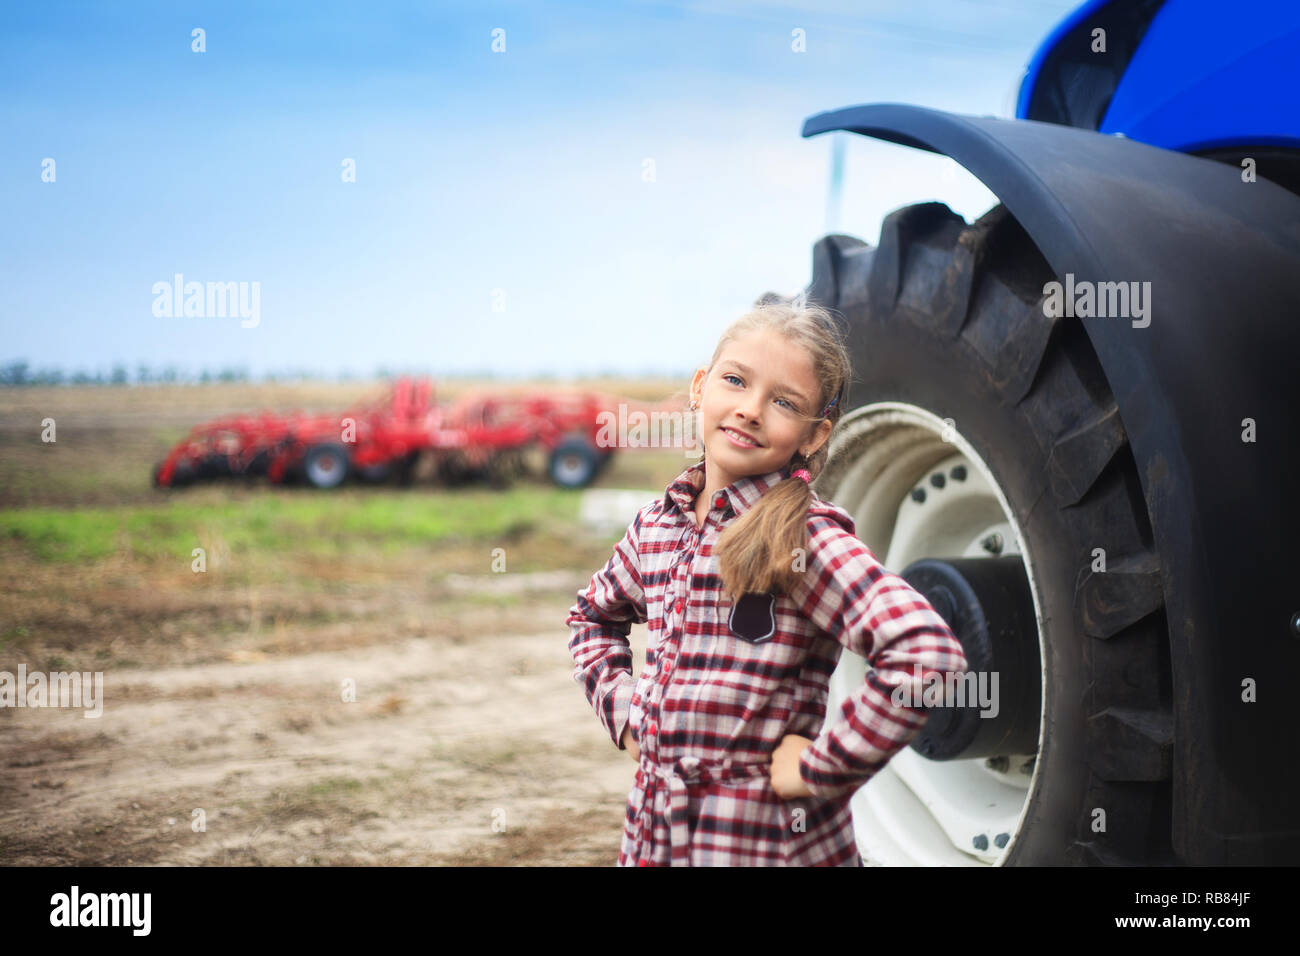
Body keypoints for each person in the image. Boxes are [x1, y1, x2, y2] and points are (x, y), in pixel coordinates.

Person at [565, 298, 969, 866]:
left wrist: (821, 767)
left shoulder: (805, 540)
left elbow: (927, 655)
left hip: (765, 845)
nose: (751, 410)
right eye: (735, 380)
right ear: (700, 387)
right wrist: (625, 712)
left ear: (814, 434)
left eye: (784, 401)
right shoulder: (656, 527)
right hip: (655, 841)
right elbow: (592, 618)